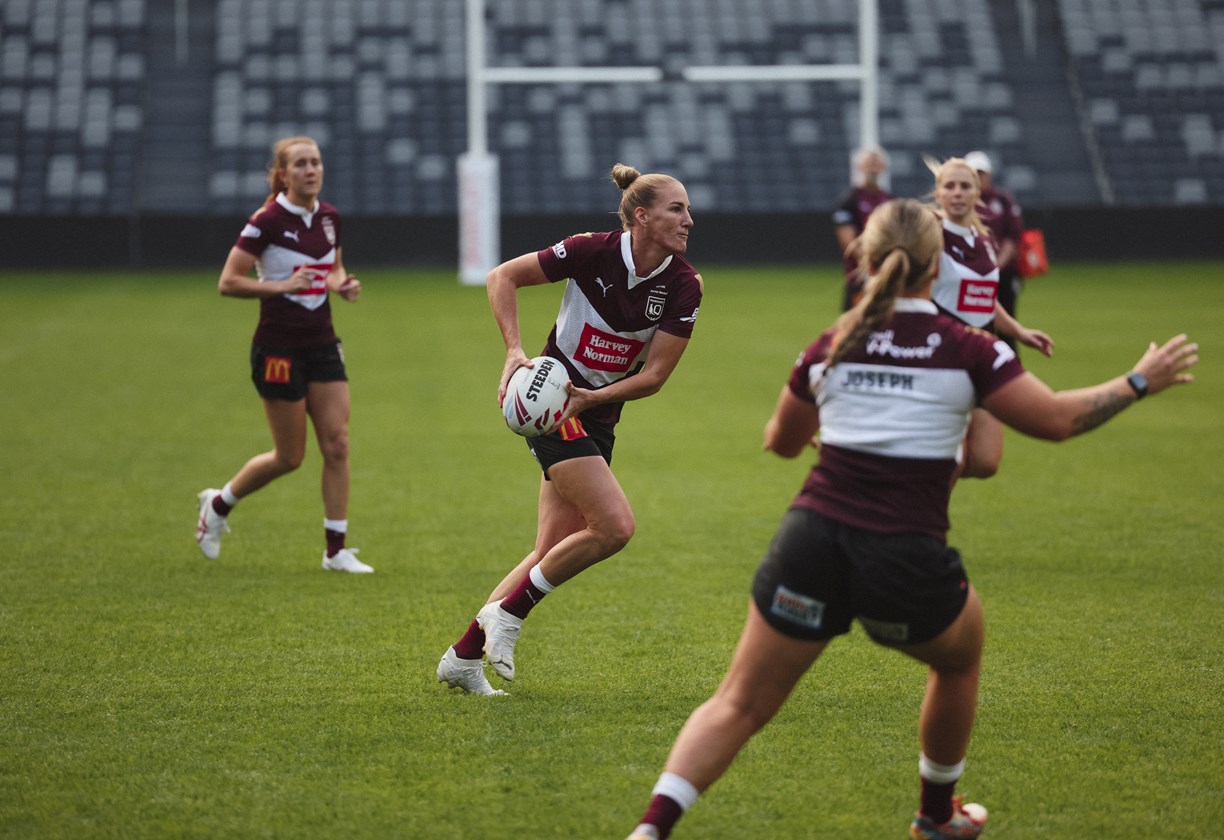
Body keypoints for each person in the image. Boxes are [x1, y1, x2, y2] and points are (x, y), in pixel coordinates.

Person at [624, 198, 1197, 840]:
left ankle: (649, 830)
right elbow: (1057, 420)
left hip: (809, 541)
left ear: (864, 259)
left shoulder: (831, 344)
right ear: (941, 264)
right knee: (958, 657)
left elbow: (781, 442)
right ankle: (934, 816)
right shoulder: (970, 350)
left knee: (737, 703)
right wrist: (1140, 380)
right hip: (901, 553)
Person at [436, 163, 704, 696]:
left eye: (688, 209)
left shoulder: (683, 285)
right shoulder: (591, 249)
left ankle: (463, 658)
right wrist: (515, 351)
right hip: (552, 407)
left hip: (595, 414)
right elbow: (502, 277)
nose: (689, 220)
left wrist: (593, 397)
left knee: (548, 549)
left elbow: (653, 378)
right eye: (677, 209)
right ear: (641, 217)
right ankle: (508, 619)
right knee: (614, 527)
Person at [194, 136, 372, 574]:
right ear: (283, 174)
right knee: (289, 457)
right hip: (278, 347)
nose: (311, 170)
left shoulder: (329, 218)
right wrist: (280, 286)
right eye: (300, 164)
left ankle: (335, 551)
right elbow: (228, 281)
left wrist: (340, 284)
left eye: (316, 162)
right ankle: (217, 505)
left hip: (323, 343)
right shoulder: (266, 221)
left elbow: (332, 268)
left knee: (338, 443)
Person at [930, 156, 1052, 479]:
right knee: (950, 461)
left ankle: (913, 484)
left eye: (965, 186)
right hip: (943, 361)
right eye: (950, 186)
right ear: (939, 193)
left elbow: (984, 299)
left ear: (977, 193)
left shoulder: (983, 242)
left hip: (982, 359)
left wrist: (1018, 331)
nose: (957, 192)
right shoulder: (929, 237)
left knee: (985, 462)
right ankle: (921, 521)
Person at [964, 151, 1025, 348]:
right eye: (973, 173)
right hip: (970, 273)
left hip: (1002, 272)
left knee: (1007, 319)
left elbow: (1012, 236)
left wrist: (997, 265)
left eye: (981, 173)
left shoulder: (1003, 199)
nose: (978, 178)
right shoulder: (962, 202)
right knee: (975, 325)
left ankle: (1010, 368)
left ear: (988, 174)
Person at [831, 145, 892, 312]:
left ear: (884, 167)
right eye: (869, 163)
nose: (872, 168)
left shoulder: (889, 200)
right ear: (859, 167)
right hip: (859, 279)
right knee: (855, 330)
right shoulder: (849, 201)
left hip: (886, 279)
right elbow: (850, 244)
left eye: (876, 163)